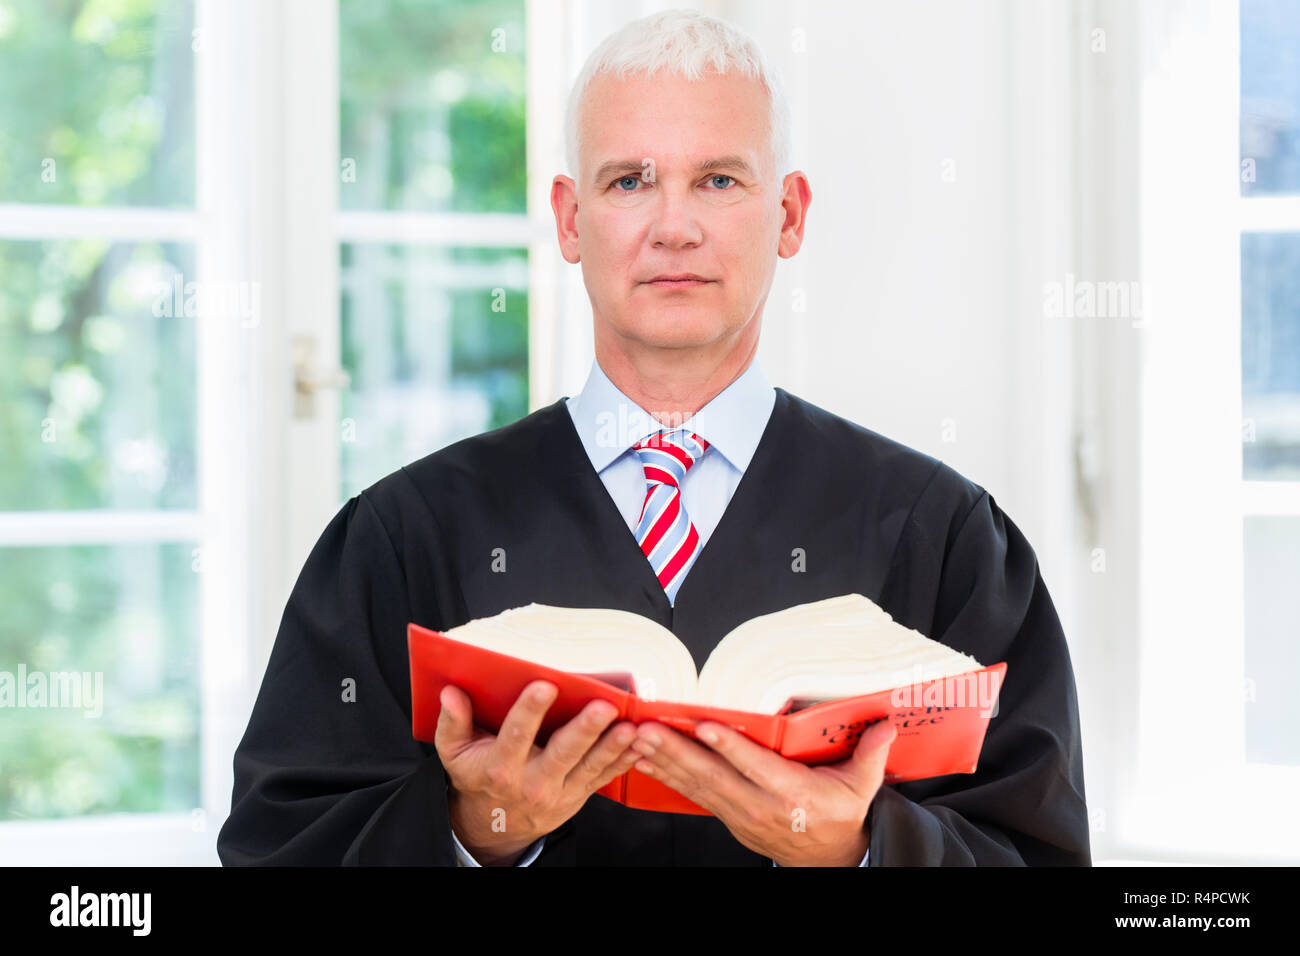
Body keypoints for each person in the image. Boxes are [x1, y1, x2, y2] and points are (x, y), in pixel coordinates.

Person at [217, 8, 1090, 867]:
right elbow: (281, 846)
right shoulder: (408, 535)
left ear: (789, 214)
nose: (674, 227)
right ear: (568, 218)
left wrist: (853, 850)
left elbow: (1032, 850)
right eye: (629, 180)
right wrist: (477, 828)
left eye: (719, 180)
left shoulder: (939, 535)